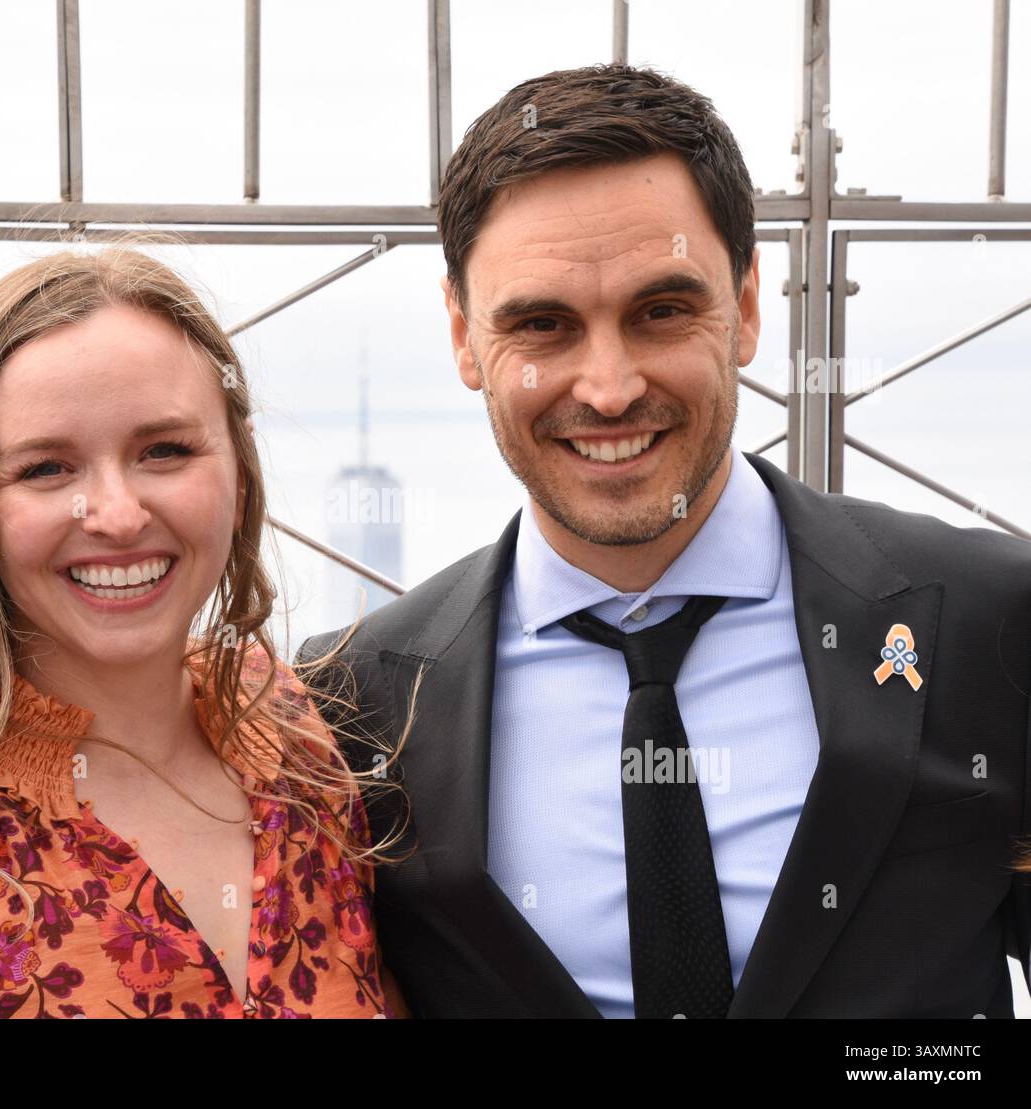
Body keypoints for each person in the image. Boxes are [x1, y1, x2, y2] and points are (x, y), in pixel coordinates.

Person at [297, 63, 1031, 1018]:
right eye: (543, 324)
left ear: (750, 304)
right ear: (463, 336)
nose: (607, 387)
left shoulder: (990, 620)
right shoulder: (351, 704)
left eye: (661, 310)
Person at [0, 246, 404, 1019]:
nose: (116, 514)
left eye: (165, 451)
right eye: (47, 468)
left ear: (240, 472)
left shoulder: (293, 734)